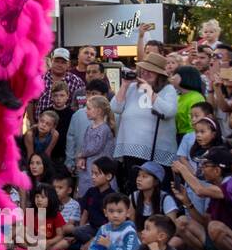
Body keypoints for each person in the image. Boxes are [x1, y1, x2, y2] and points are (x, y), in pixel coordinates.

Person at [110, 51, 179, 192]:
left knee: (156, 191)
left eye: (151, 71)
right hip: (131, 149)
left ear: (159, 74)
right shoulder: (132, 88)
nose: (146, 74)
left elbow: (168, 111)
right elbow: (115, 107)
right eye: (144, 70)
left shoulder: (167, 90)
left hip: (155, 151)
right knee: (135, 190)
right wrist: (124, 85)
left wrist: (149, 90)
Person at [73, 193, 139, 250]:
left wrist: (109, 245)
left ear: (127, 213)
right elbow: (94, 247)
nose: (115, 215)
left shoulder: (129, 232)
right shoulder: (104, 229)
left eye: (120, 211)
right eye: (111, 211)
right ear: (105, 212)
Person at [74, 94, 115, 194]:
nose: (86, 111)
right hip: (89, 166)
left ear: (99, 111)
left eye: (88, 108)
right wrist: (82, 158)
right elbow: (85, 144)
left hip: (101, 166)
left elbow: (96, 147)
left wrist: (81, 154)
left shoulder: (104, 129)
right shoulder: (89, 127)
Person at [129, 162, 179, 229]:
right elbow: (132, 224)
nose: (139, 179)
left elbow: (172, 229)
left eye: (144, 176)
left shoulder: (166, 199)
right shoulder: (134, 197)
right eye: (138, 175)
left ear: (156, 181)